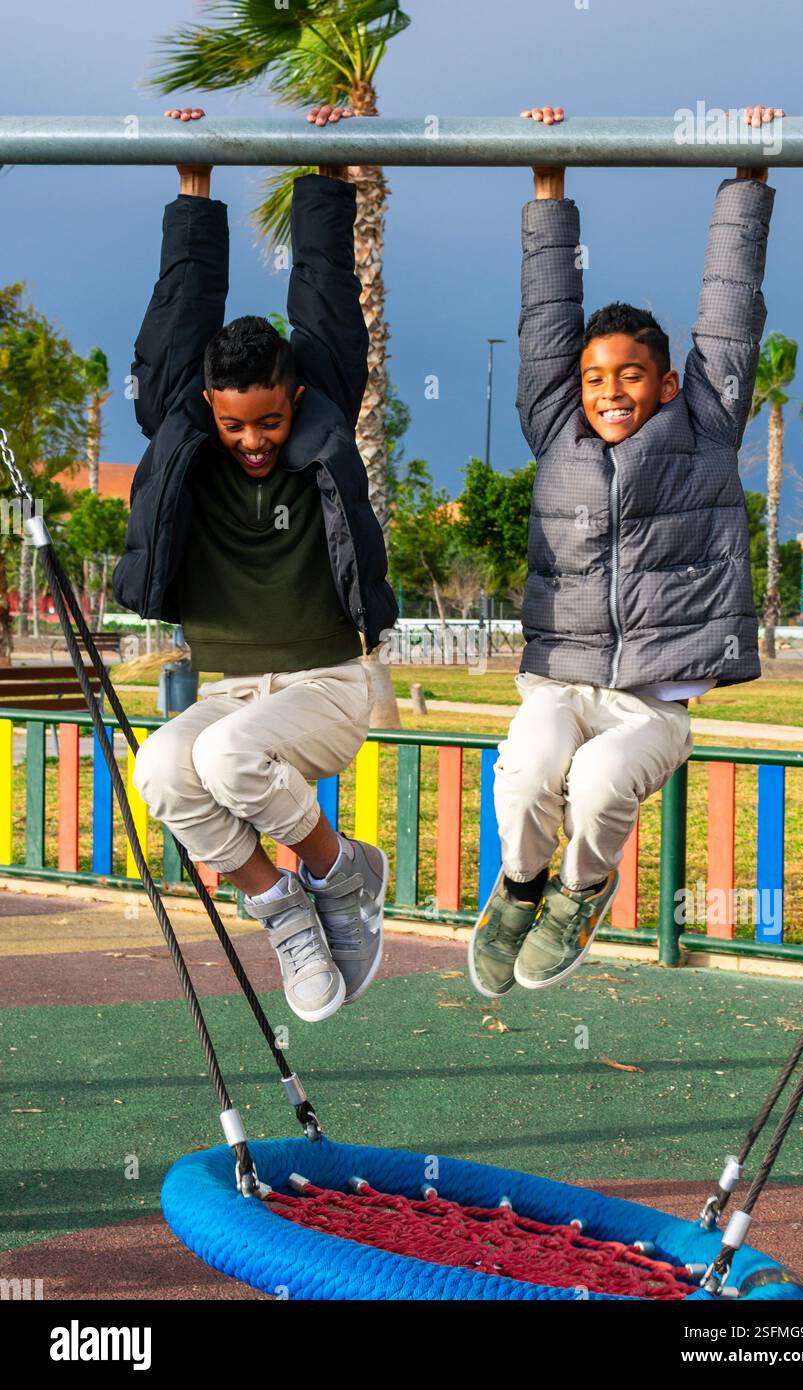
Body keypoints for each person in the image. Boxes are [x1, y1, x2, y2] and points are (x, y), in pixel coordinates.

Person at [470, 102, 783, 997]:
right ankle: (523, 884)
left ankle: (580, 888)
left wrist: (752, 176)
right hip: (561, 681)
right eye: (596, 377)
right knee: (529, 771)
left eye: (631, 375)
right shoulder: (554, 429)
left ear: (669, 382)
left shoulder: (709, 426)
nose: (609, 391)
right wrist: (548, 180)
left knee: (604, 780)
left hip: (652, 701)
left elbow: (729, 313)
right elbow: (545, 314)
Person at [113, 105, 398, 1023]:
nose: (252, 441)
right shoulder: (182, 431)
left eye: (268, 422)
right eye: (233, 423)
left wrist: (320, 170)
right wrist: (193, 185)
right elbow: (176, 311)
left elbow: (325, 294)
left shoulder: (323, 415)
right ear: (206, 406)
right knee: (160, 771)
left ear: (299, 398)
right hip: (232, 691)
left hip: (326, 684)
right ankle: (284, 910)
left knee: (233, 758)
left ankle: (345, 872)